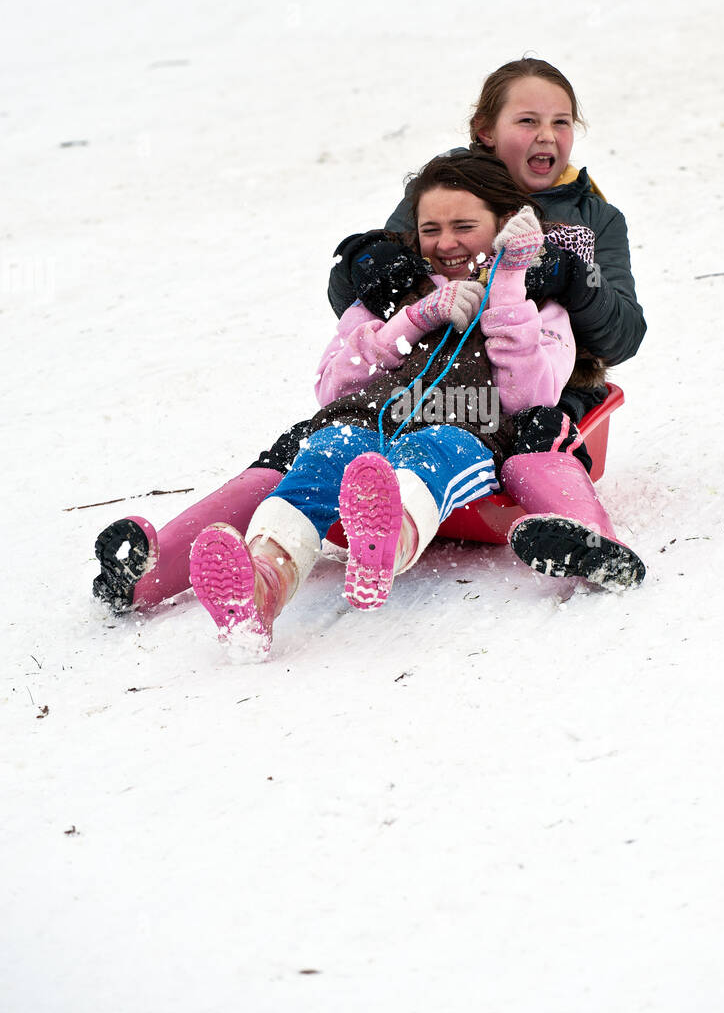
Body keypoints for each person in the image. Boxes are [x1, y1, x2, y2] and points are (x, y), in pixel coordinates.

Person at [92, 59, 645, 615]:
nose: (546, 136)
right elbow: (372, 303)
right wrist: (366, 263)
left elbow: (619, 335)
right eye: (527, 121)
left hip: (541, 380)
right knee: (305, 444)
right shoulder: (444, 188)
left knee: (535, 426)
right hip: (413, 384)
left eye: (561, 122)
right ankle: (155, 570)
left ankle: (586, 543)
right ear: (486, 131)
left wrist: (570, 279)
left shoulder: (593, 218)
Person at [187, 152, 577, 651]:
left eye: (464, 225)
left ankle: (384, 546)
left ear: (503, 223)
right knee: (322, 460)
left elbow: (531, 398)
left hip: (464, 426)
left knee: (429, 457)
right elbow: (332, 389)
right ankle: (261, 587)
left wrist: (505, 289)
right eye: (431, 229)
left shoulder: (538, 304)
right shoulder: (387, 292)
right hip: (363, 421)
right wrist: (412, 320)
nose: (447, 243)